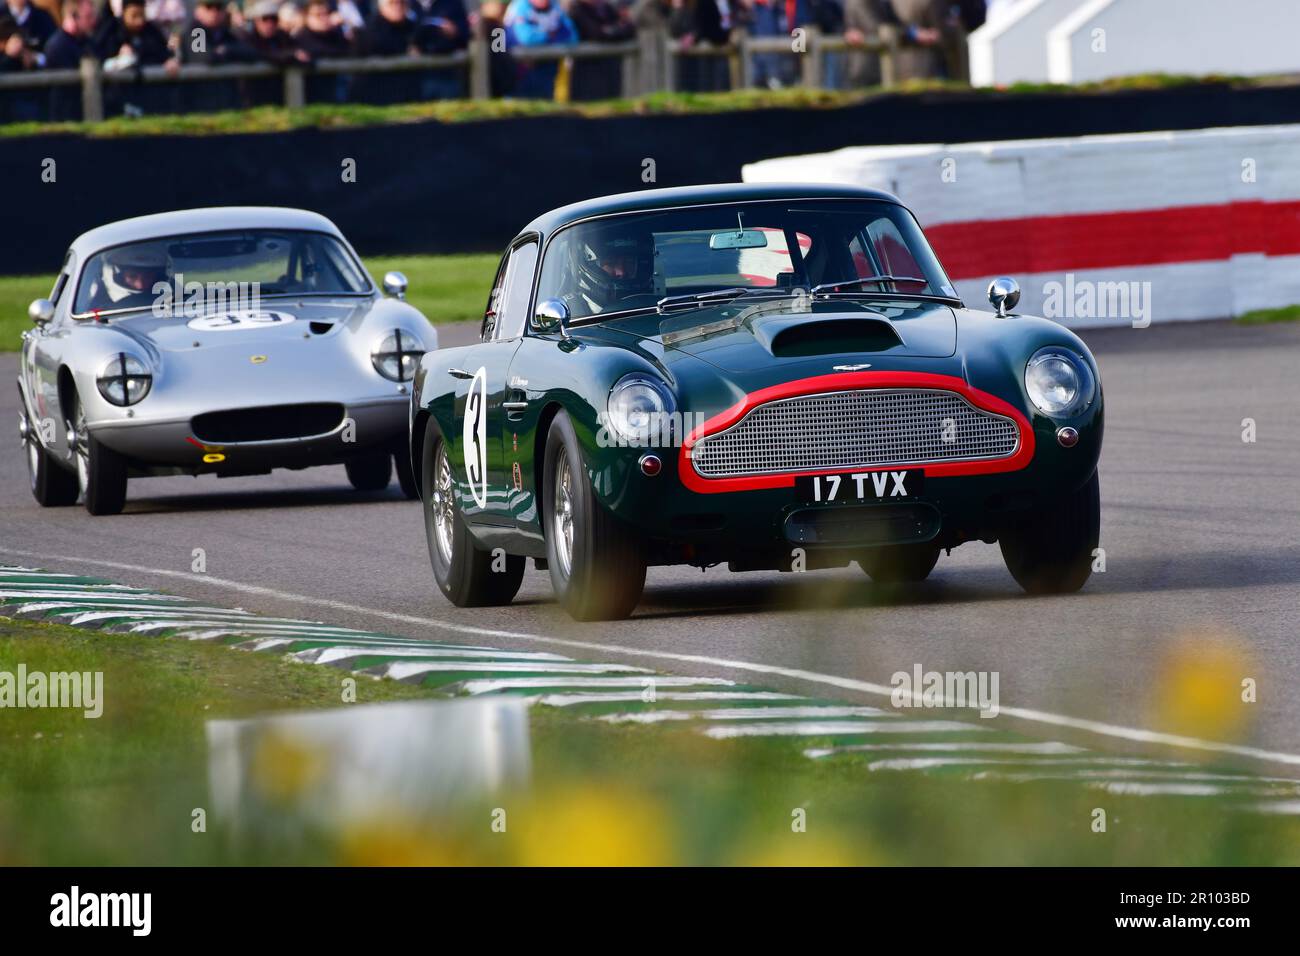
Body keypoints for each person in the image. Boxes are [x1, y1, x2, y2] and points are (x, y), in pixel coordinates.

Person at [502, 0, 576, 99]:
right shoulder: (520, 7)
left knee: (545, 106)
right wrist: (552, 36)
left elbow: (571, 36)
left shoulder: (555, 7)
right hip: (520, 73)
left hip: (547, 72)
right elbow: (527, 38)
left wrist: (548, 37)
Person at [569, 0, 633, 100]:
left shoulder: (607, 8)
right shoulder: (577, 11)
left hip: (610, 73)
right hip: (587, 76)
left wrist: (610, 31)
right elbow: (595, 33)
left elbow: (629, 30)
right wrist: (614, 31)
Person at [85, 244, 173, 312]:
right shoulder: (92, 308)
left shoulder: (176, 295)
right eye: (132, 276)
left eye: (148, 276)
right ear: (115, 273)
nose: (140, 285)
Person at [242, 0, 310, 63]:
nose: (270, 24)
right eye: (265, 19)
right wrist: (289, 55)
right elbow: (258, 54)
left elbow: (299, 49)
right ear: (255, 21)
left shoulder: (282, 36)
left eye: (274, 19)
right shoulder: (247, 38)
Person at [39, 0, 96, 67]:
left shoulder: (88, 42)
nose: (93, 21)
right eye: (88, 17)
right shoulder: (57, 47)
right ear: (73, 17)